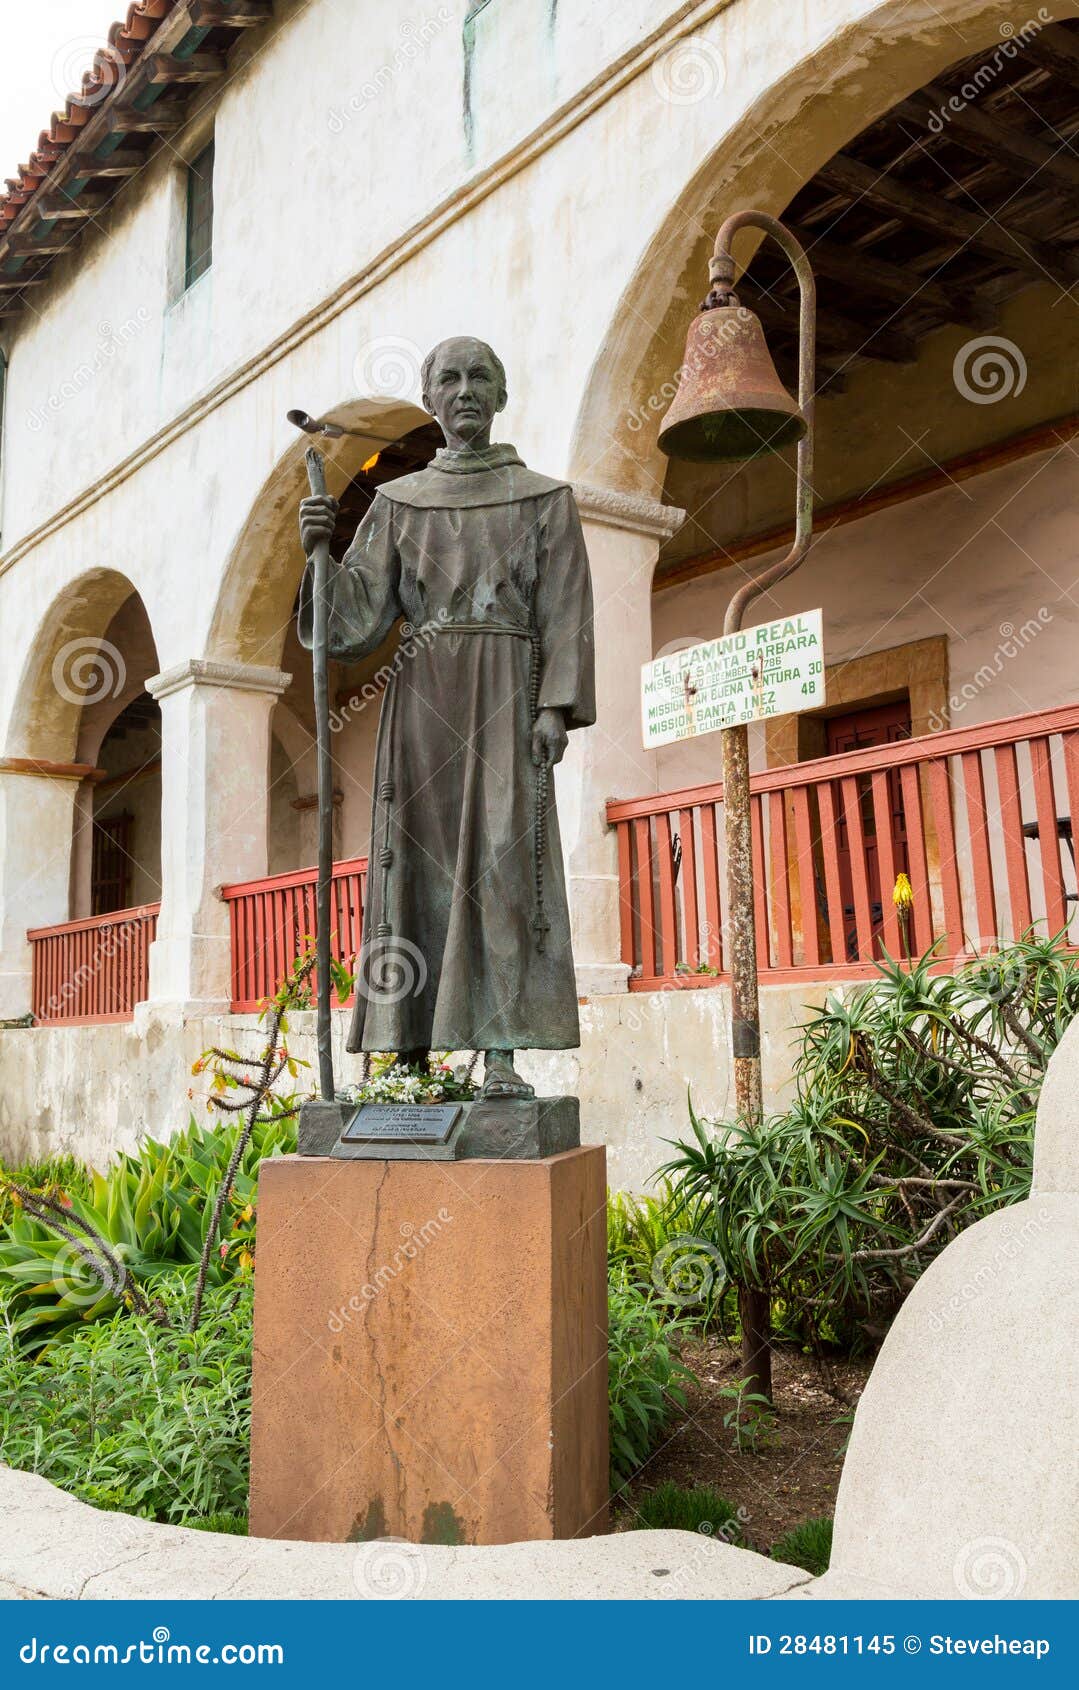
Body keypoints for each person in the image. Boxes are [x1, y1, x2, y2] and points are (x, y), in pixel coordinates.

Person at [298, 337, 595, 1099]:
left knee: (503, 867)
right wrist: (318, 554)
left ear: (499, 395)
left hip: (507, 693)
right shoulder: (398, 504)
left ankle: (501, 1054)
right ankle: (405, 1055)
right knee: (413, 863)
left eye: (479, 378)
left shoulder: (543, 498)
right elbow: (353, 620)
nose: (464, 391)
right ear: (430, 400)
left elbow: (565, 609)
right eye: (448, 380)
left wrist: (554, 707)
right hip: (422, 698)